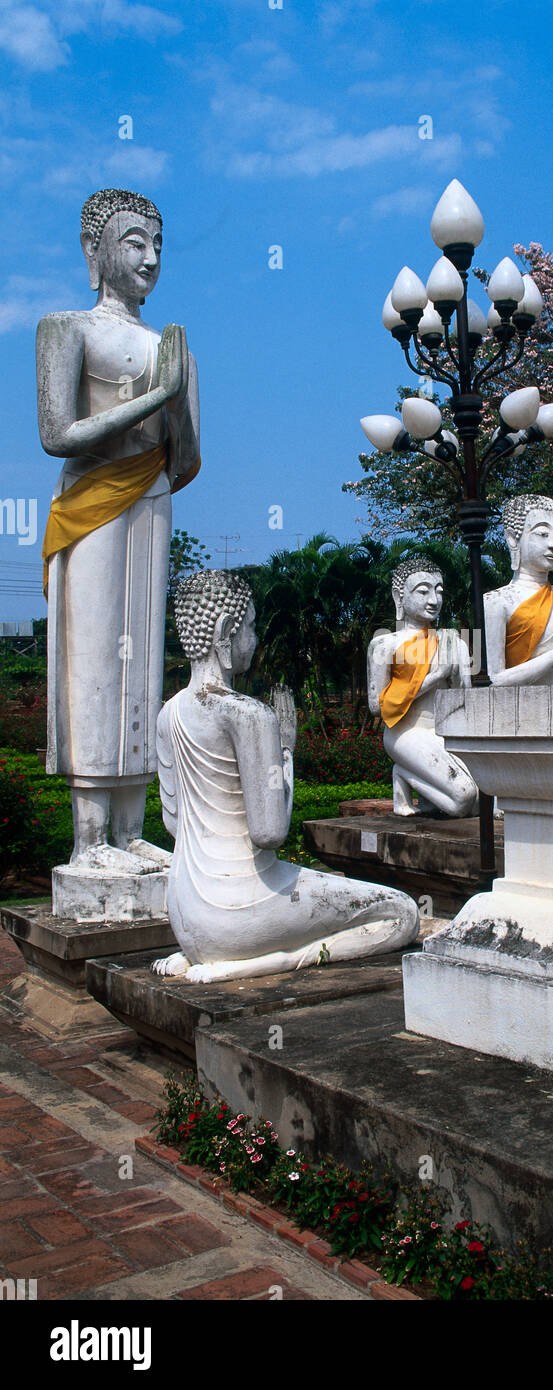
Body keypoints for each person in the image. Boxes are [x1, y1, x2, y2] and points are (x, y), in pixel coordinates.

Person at [37, 187, 200, 865]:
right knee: (98, 655)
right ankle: (91, 838)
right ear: (96, 250)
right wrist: (156, 396)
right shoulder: (66, 327)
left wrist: (182, 393)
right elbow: (57, 434)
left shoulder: (169, 343)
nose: (151, 258)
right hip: (93, 503)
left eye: (158, 244)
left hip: (153, 496)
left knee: (142, 661)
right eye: (135, 242)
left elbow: (187, 457)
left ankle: (133, 832)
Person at [153, 571, 419, 983]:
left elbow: (174, 823)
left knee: (325, 885)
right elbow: (269, 834)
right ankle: (274, 960)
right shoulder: (247, 713)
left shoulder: (168, 714)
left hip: (185, 910)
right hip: (240, 910)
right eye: (253, 627)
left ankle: (208, 956)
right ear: (226, 631)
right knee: (401, 912)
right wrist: (286, 755)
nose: (256, 640)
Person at [367, 556, 478, 817]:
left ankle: (416, 784)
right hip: (405, 733)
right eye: (423, 591)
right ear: (399, 596)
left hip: (444, 732)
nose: (433, 600)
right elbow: (377, 706)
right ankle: (403, 771)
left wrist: (455, 676)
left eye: (439, 591)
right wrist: (435, 676)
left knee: (482, 801)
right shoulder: (385, 644)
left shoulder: (453, 642)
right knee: (463, 799)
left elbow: (466, 700)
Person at [484, 494, 553, 685]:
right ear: (512, 539)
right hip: (514, 710)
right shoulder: (494, 601)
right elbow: (495, 679)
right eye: (543, 533)